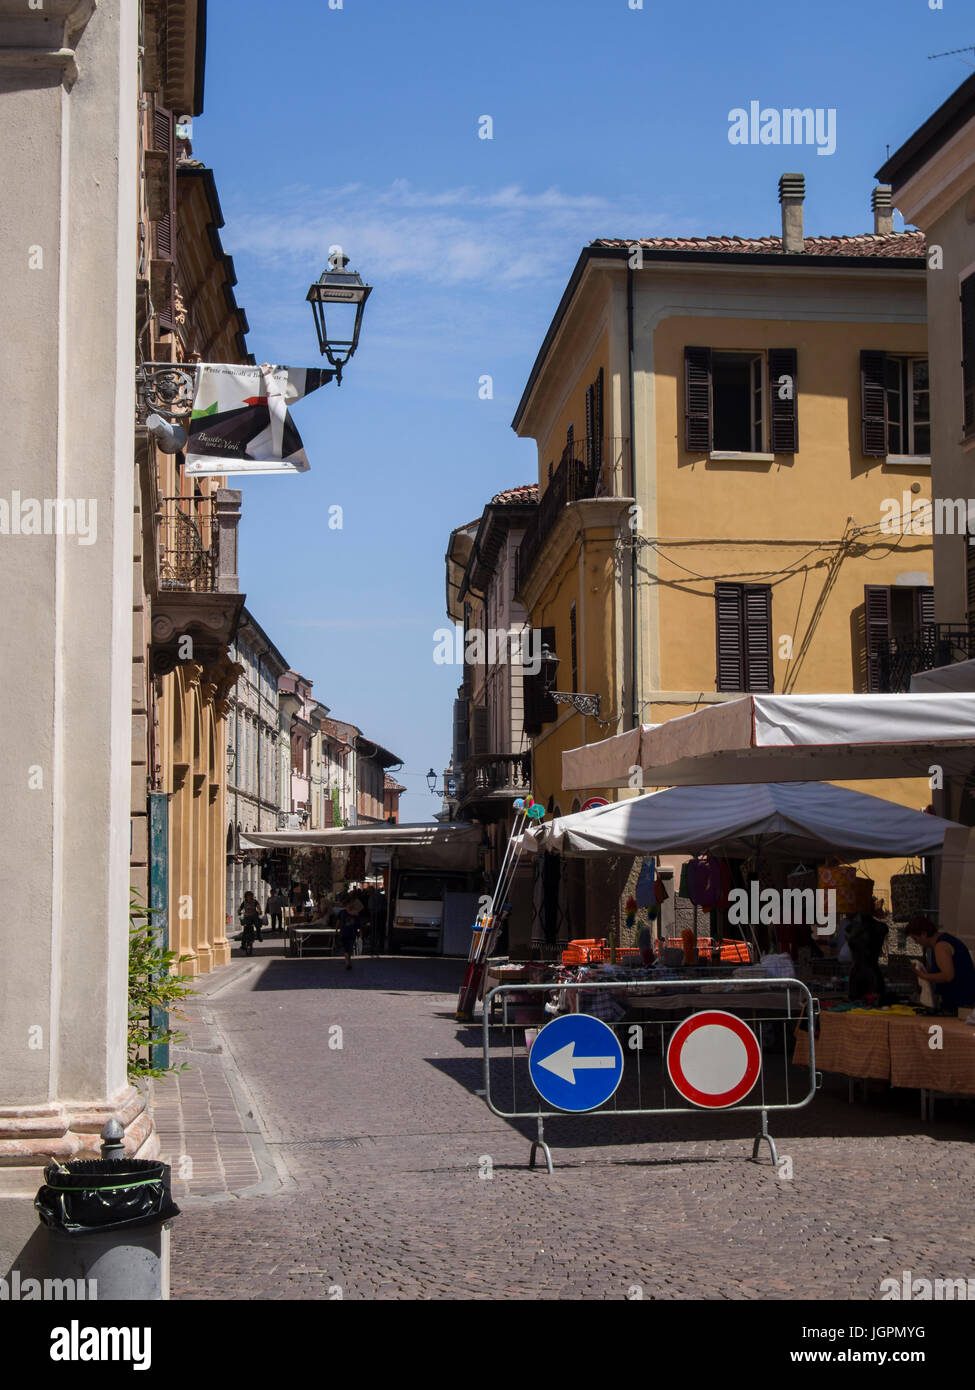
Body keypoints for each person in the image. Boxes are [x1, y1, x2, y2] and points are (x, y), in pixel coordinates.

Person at [905, 915, 975, 1012]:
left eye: (916, 939)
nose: (917, 943)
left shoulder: (941, 946)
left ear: (924, 934)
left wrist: (923, 975)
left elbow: (947, 976)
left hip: (959, 1003)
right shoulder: (943, 942)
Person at [336, 892, 364, 971]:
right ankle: (347, 963)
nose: (350, 905)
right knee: (346, 948)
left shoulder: (355, 914)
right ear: (346, 905)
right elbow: (338, 922)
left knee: (350, 948)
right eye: (348, 904)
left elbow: (359, 925)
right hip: (344, 933)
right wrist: (336, 930)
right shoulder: (342, 913)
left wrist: (360, 934)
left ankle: (348, 962)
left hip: (352, 933)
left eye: (351, 904)